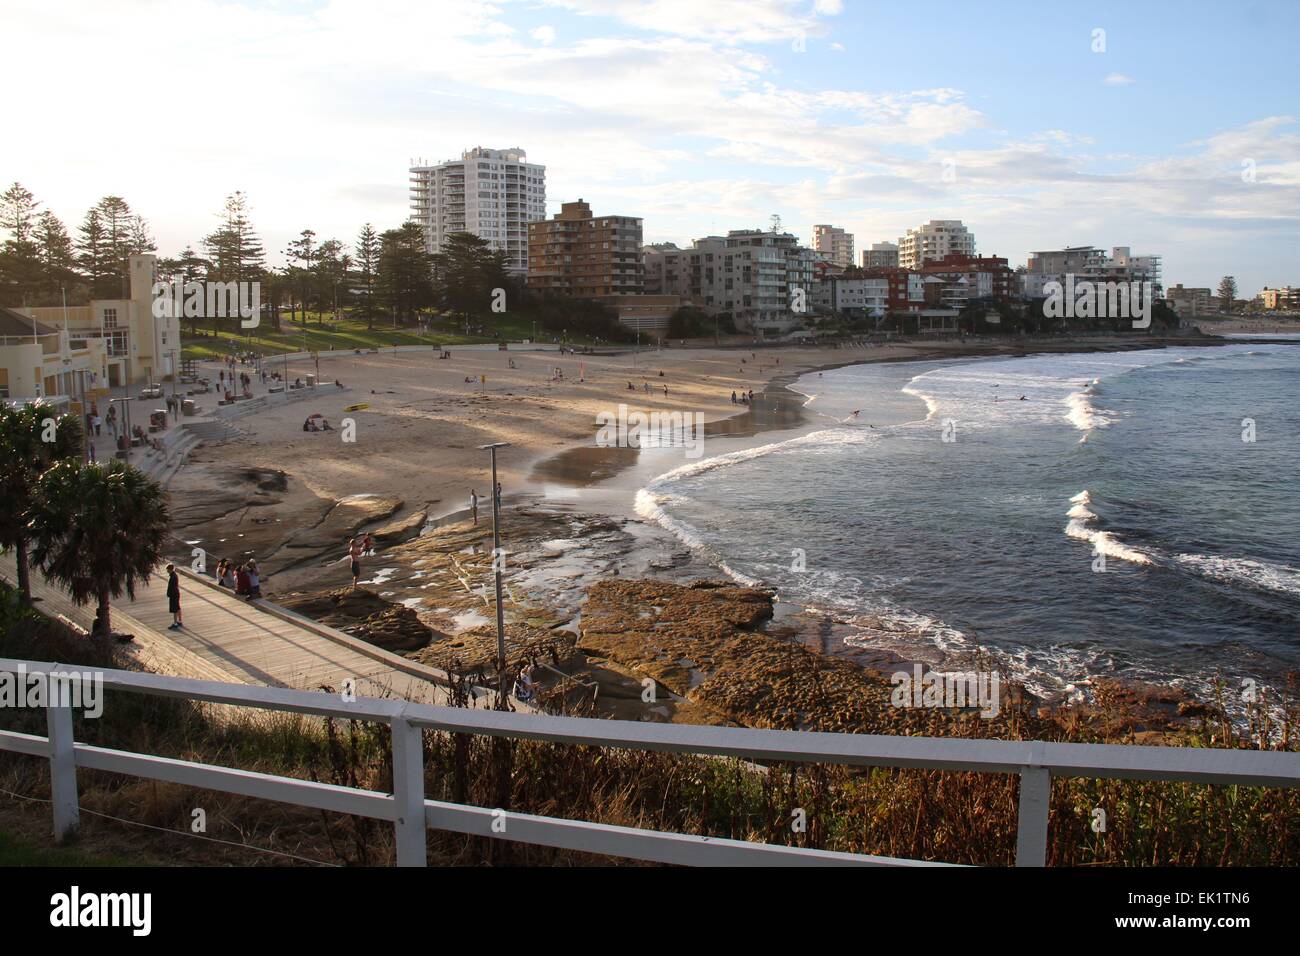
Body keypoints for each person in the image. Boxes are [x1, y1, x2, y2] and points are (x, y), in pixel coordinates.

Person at [166, 564, 183, 630]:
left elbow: (171, 587)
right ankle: (180, 621)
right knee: (178, 607)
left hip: (174, 595)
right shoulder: (175, 575)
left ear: (170, 569)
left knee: (174, 609)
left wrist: (169, 594)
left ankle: (175, 623)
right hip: (176, 593)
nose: (167, 571)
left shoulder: (172, 577)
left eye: (167, 569)